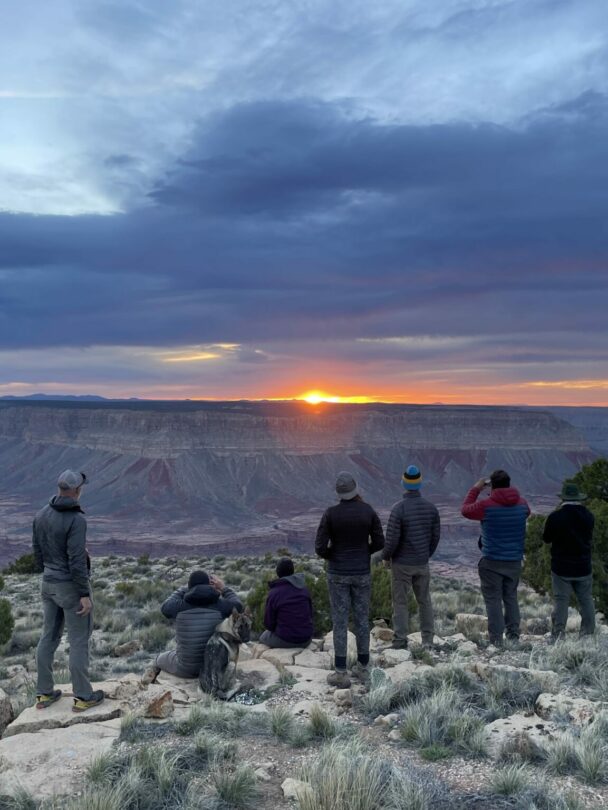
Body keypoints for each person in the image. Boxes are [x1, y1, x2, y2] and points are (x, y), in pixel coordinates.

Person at [33, 470, 104, 712]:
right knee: (78, 641)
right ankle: (83, 696)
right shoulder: (76, 520)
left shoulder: (41, 514)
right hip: (70, 588)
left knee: (48, 637)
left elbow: (37, 553)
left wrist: (50, 571)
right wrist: (84, 593)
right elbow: (75, 560)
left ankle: (43, 694)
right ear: (76, 491)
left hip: (48, 584)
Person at [315, 471, 385, 687]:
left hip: (337, 574)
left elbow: (319, 547)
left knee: (340, 621)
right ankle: (364, 668)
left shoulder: (330, 514)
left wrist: (334, 556)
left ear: (338, 493)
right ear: (356, 490)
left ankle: (340, 672)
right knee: (362, 619)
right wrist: (364, 552)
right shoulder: (368, 511)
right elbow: (380, 542)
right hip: (361, 572)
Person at [461, 469, 530, 645]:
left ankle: (496, 640)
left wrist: (476, 489)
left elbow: (465, 510)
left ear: (492, 486)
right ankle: (513, 636)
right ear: (509, 483)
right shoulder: (522, 504)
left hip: (491, 560)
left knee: (493, 600)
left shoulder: (486, 506)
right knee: (511, 597)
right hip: (514, 560)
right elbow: (526, 512)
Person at [382, 465, 440, 650]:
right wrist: (425, 554)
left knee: (400, 602)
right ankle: (428, 641)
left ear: (404, 484)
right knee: (425, 601)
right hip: (422, 562)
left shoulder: (398, 509)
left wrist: (386, 557)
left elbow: (391, 539)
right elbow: (435, 537)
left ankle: (400, 640)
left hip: (402, 564)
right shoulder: (431, 509)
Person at [147, 570, 243, 680]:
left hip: (185, 669)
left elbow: (165, 607)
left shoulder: (180, 606)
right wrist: (224, 588)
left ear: (190, 586)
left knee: (159, 658)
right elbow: (238, 606)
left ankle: (149, 678)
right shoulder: (220, 605)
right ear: (209, 585)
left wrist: (185, 588)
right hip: (213, 668)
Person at [543, 482, 595, 641]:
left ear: (563, 498)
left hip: (561, 567)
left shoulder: (555, 517)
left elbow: (546, 538)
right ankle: (588, 635)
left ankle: (558, 635)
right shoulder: (589, 516)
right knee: (586, 600)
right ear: (578, 498)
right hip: (583, 566)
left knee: (561, 601)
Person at [259, 558, 314, 649]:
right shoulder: (304, 589)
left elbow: (268, 624)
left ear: (278, 572)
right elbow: (310, 615)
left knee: (263, 637)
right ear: (292, 571)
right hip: (306, 639)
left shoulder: (274, 593)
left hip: (286, 639)